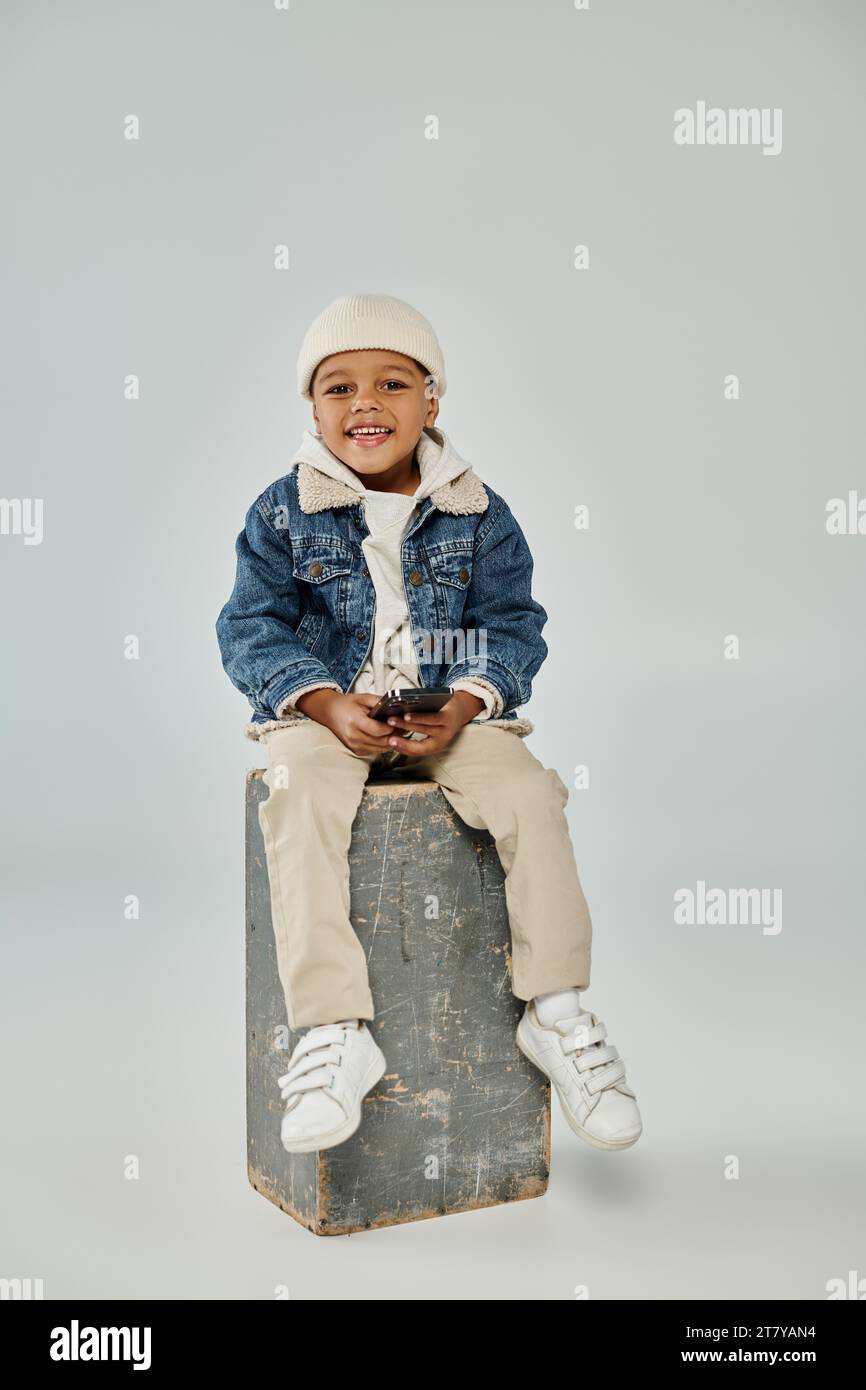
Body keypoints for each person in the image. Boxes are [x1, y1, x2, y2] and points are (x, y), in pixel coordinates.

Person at [215, 293, 642, 1157]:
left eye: (392, 384)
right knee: (295, 795)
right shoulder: (280, 511)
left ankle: (556, 1014)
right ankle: (335, 1031)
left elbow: (513, 623)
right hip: (327, 714)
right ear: (313, 408)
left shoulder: (477, 511)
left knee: (529, 792)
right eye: (339, 388)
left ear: (432, 400)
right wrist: (325, 702)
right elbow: (250, 626)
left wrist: (464, 704)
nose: (365, 404)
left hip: (442, 710)